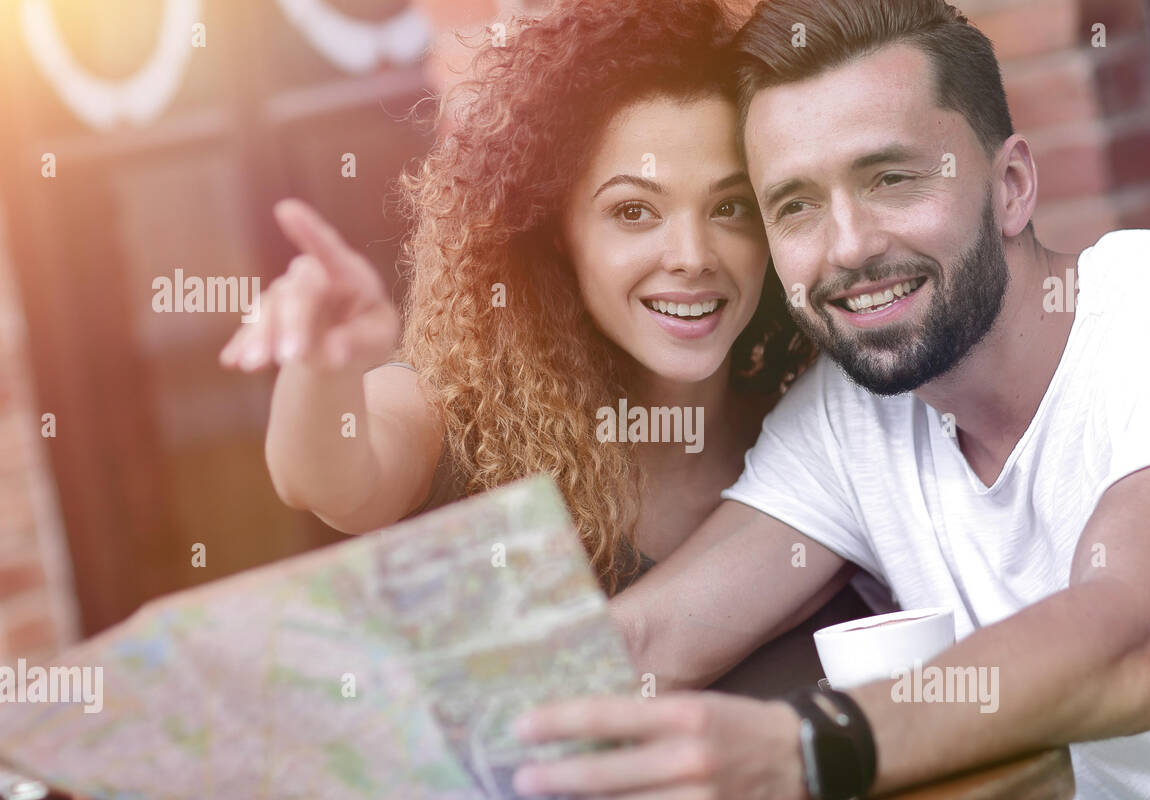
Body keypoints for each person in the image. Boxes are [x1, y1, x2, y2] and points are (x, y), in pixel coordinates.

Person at [510, 0, 1150, 800]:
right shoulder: (853, 420)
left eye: (890, 178)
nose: (847, 246)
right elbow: (648, 639)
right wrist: (365, 753)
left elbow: (1131, 640)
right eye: (797, 205)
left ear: (1011, 186)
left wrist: (806, 751)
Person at [218, 0, 884, 657]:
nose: (691, 254)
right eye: (633, 211)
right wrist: (323, 368)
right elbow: (326, 478)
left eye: (731, 206)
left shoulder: (826, 420)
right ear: (557, 232)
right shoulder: (468, 417)